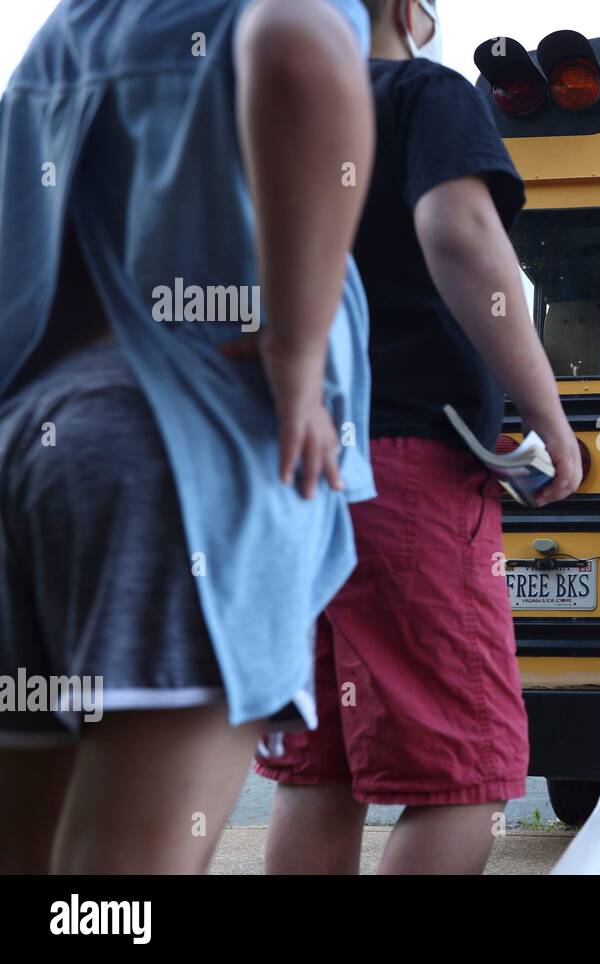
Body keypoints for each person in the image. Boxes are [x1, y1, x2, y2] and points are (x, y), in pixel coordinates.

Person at [0, 0, 378, 874]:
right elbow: (294, 49)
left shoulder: (76, 25)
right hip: (180, 455)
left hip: (32, 444)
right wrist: (296, 342)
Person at [254, 0, 582, 875]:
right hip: (405, 472)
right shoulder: (423, 93)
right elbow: (460, 234)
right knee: (463, 778)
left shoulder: (265, 119)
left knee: (316, 774)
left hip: (287, 478)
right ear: (409, 9)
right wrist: (547, 415)